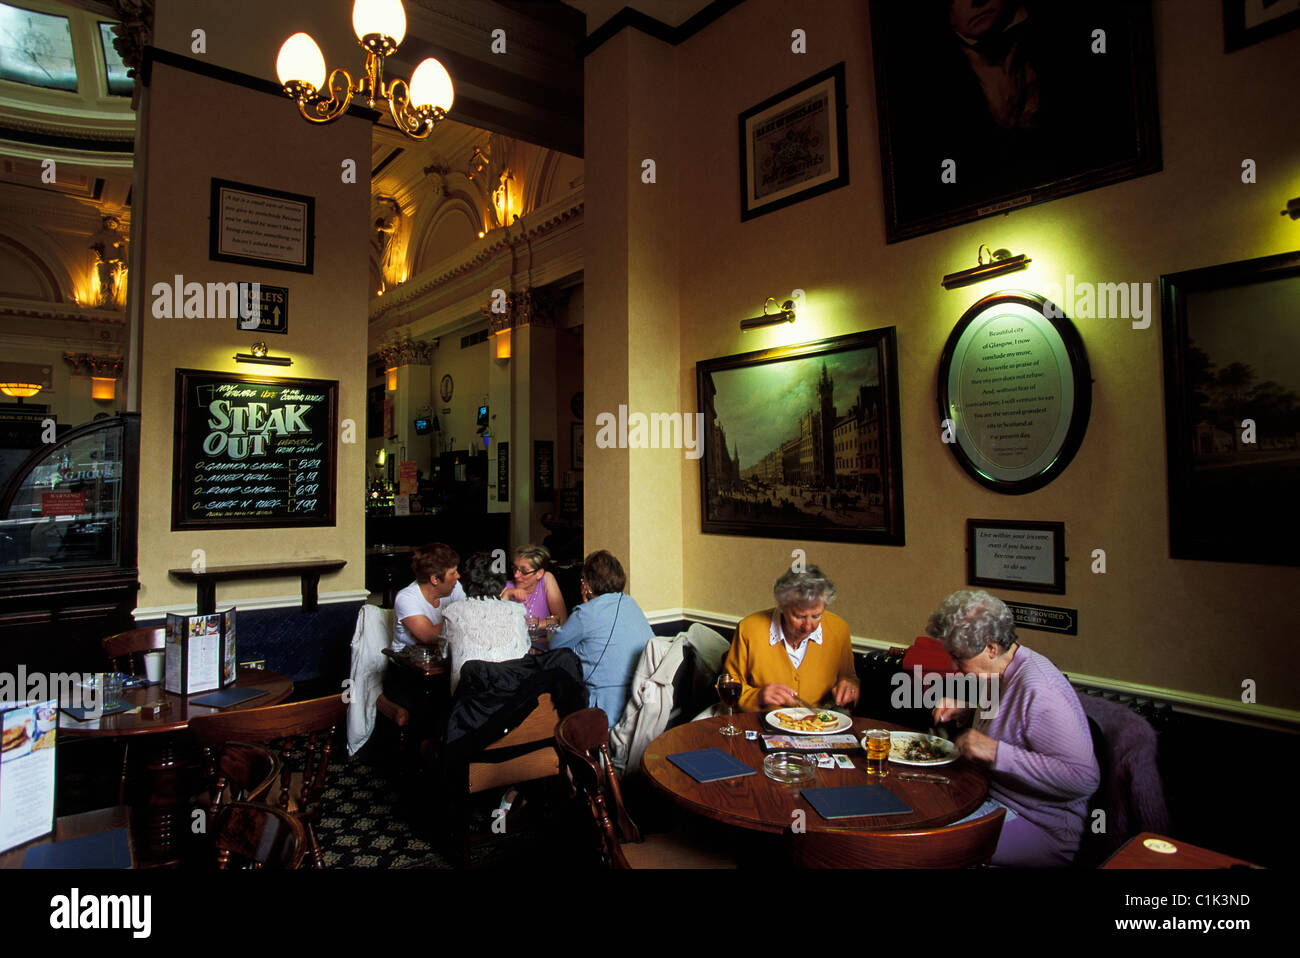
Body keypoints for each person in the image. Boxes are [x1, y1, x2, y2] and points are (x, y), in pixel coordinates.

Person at [927, 589, 1099, 867]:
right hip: (989, 799)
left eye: (959, 657)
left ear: (991, 648)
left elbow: (1083, 778)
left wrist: (995, 752)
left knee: (928, 845)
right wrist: (969, 710)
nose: (954, 667)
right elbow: (1013, 721)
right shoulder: (1002, 670)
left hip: (1041, 827)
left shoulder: (1041, 689)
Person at [722, 565, 859, 711]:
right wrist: (758, 696)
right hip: (758, 723)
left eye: (816, 616)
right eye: (799, 616)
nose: (808, 626)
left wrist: (850, 687)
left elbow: (849, 677)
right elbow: (729, 687)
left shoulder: (839, 629)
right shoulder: (749, 629)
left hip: (818, 727)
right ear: (782, 606)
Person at [549, 550, 652, 726]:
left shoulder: (586, 613)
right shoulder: (630, 603)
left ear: (587, 585)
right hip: (641, 703)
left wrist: (585, 606)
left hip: (604, 710)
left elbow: (555, 645)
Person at [440, 552, 529, 695]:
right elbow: (525, 650)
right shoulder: (517, 609)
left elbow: (444, 653)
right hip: (514, 698)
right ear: (501, 582)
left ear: (465, 582)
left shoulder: (452, 611)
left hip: (471, 703)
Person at [390, 542, 465, 650]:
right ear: (434, 579)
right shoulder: (406, 598)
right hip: (407, 659)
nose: (458, 576)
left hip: (442, 653)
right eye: (452, 573)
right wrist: (465, 621)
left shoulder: (454, 586)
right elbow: (430, 636)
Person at [499, 544, 568, 633]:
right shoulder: (506, 588)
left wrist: (535, 625)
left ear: (539, 573)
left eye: (524, 571)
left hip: (542, 644)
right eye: (514, 568)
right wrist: (508, 594)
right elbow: (497, 625)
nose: (516, 575)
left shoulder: (546, 579)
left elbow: (562, 619)